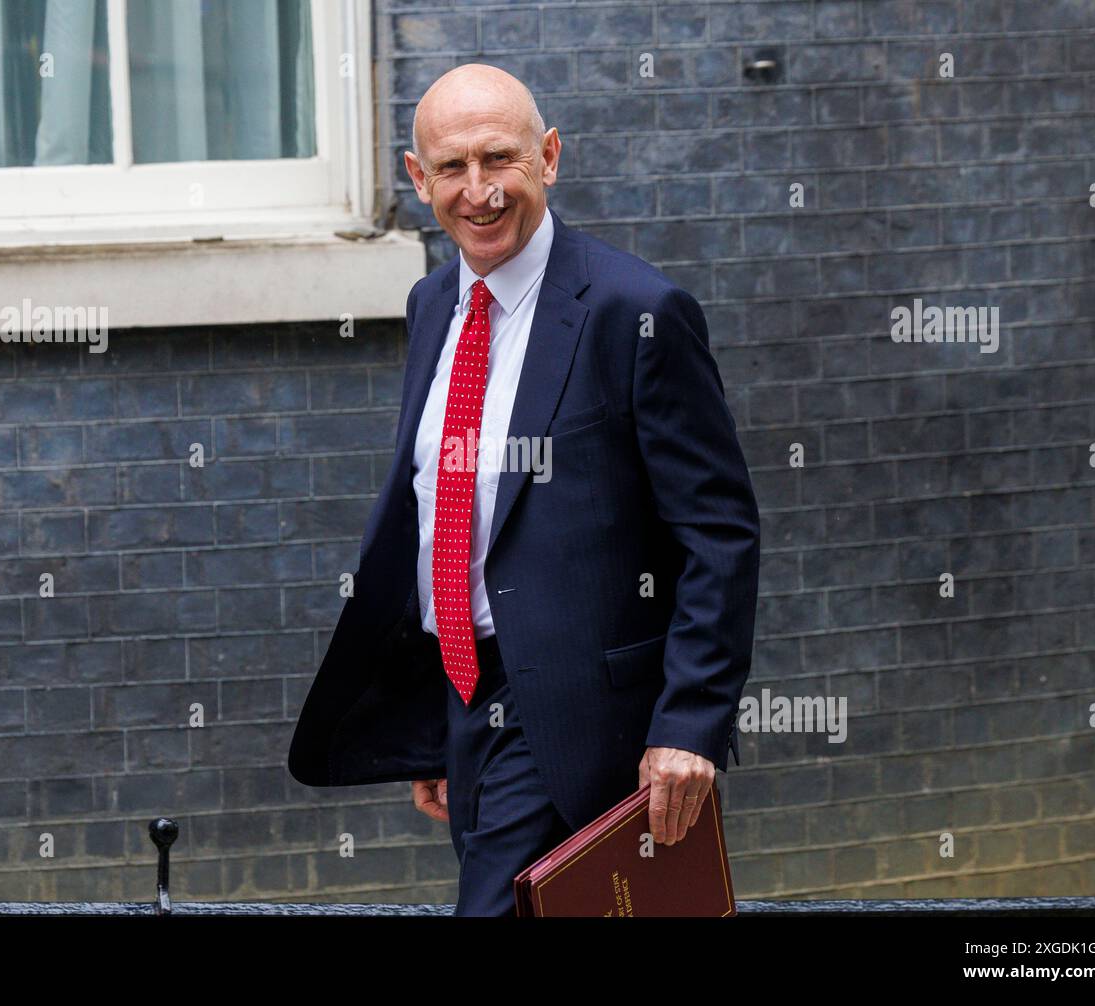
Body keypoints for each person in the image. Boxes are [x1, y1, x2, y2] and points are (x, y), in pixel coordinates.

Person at [288, 64, 759, 916]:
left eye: (499, 160)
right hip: (468, 700)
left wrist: (689, 724)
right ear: (417, 177)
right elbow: (440, 514)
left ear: (548, 157)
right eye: (453, 168)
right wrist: (433, 720)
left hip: (584, 713)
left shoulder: (637, 310)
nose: (479, 192)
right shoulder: (433, 303)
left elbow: (718, 533)